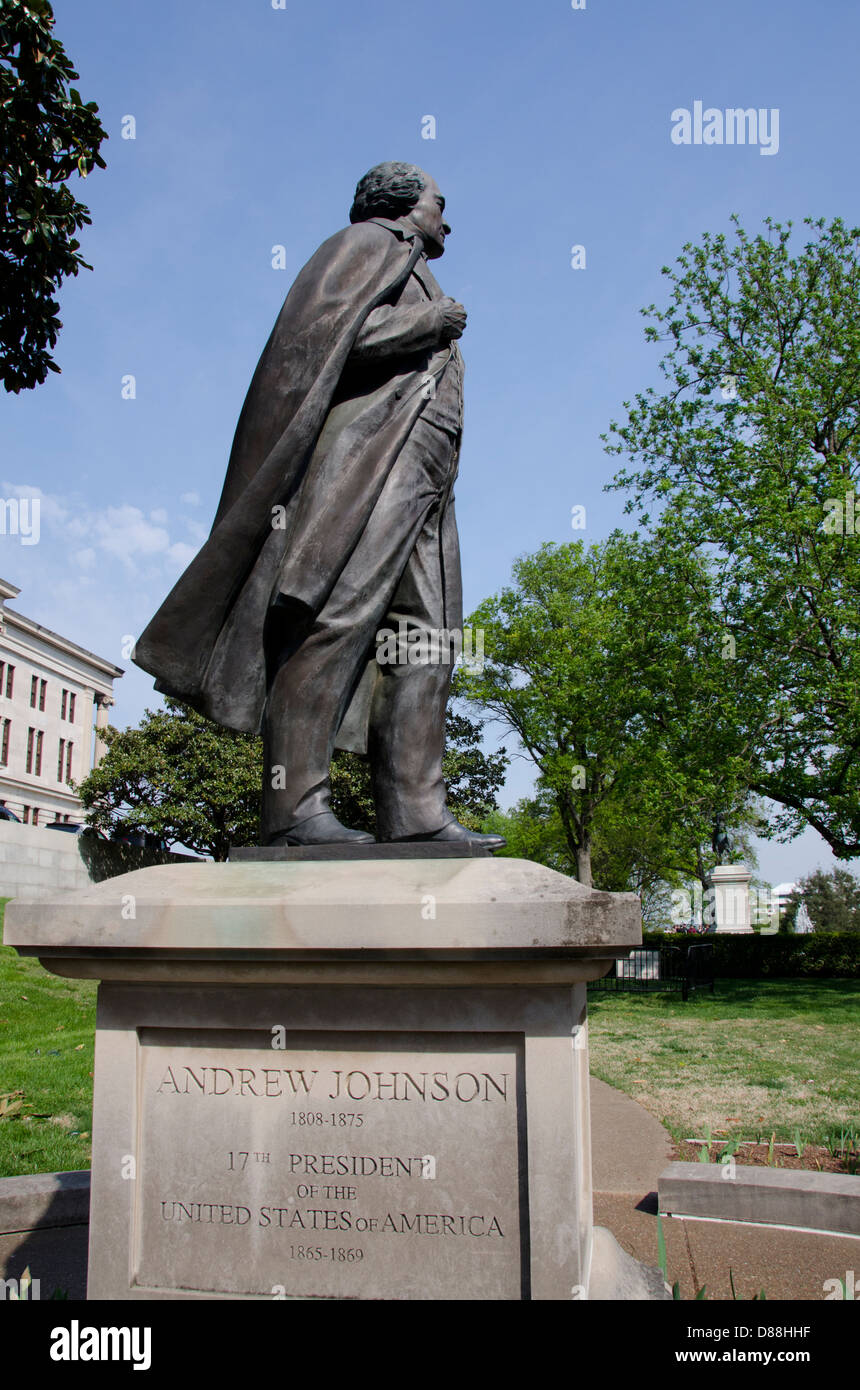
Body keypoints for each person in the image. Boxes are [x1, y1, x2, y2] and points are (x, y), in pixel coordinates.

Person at [133, 162, 504, 850]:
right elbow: (322, 345)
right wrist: (429, 323)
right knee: (336, 616)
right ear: (399, 203)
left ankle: (415, 813)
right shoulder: (364, 244)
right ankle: (293, 810)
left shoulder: (415, 262)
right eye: (439, 204)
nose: (447, 220)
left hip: (426, 467)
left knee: (428, 640)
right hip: (372, 457)